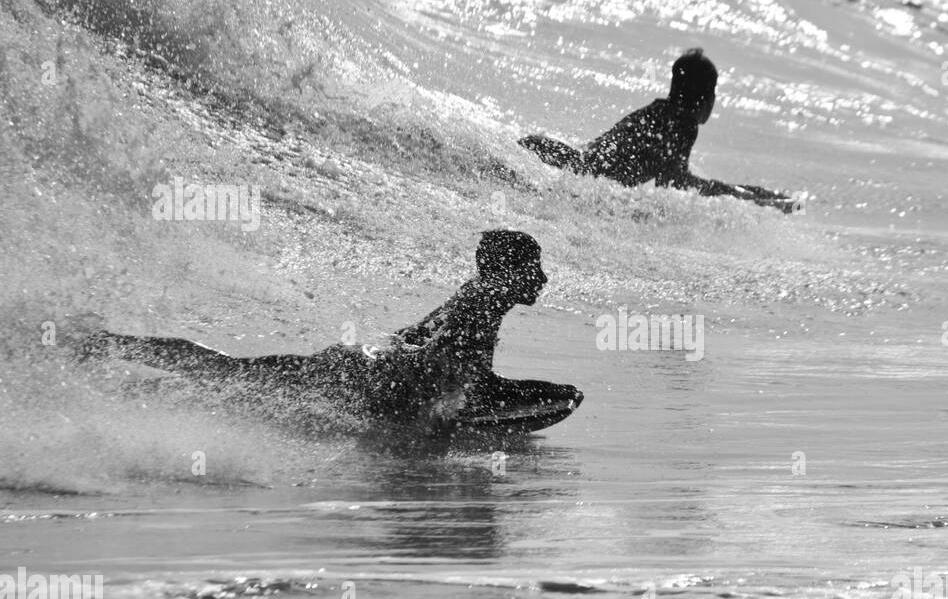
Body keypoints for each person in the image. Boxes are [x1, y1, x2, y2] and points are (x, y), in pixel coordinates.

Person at [78, 230, 582, 431]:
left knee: (235, 376)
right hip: (367, 379)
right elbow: (450, 374)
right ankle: (108, 346)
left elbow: (428, 353)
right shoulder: (483, 303)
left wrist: (528, 396)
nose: (542, 276)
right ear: (507, 271)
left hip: (362, 370)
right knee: (233, 377)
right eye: (533, 265)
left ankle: (110, 346)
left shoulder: (475, 296)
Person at [519, 49, 795, 209]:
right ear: (707, 100)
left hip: (558, 154)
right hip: (568, 166)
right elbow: (673, 184)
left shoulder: (660, 111)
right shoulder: (684, 123)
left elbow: (670, 177)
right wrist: (742, 195)